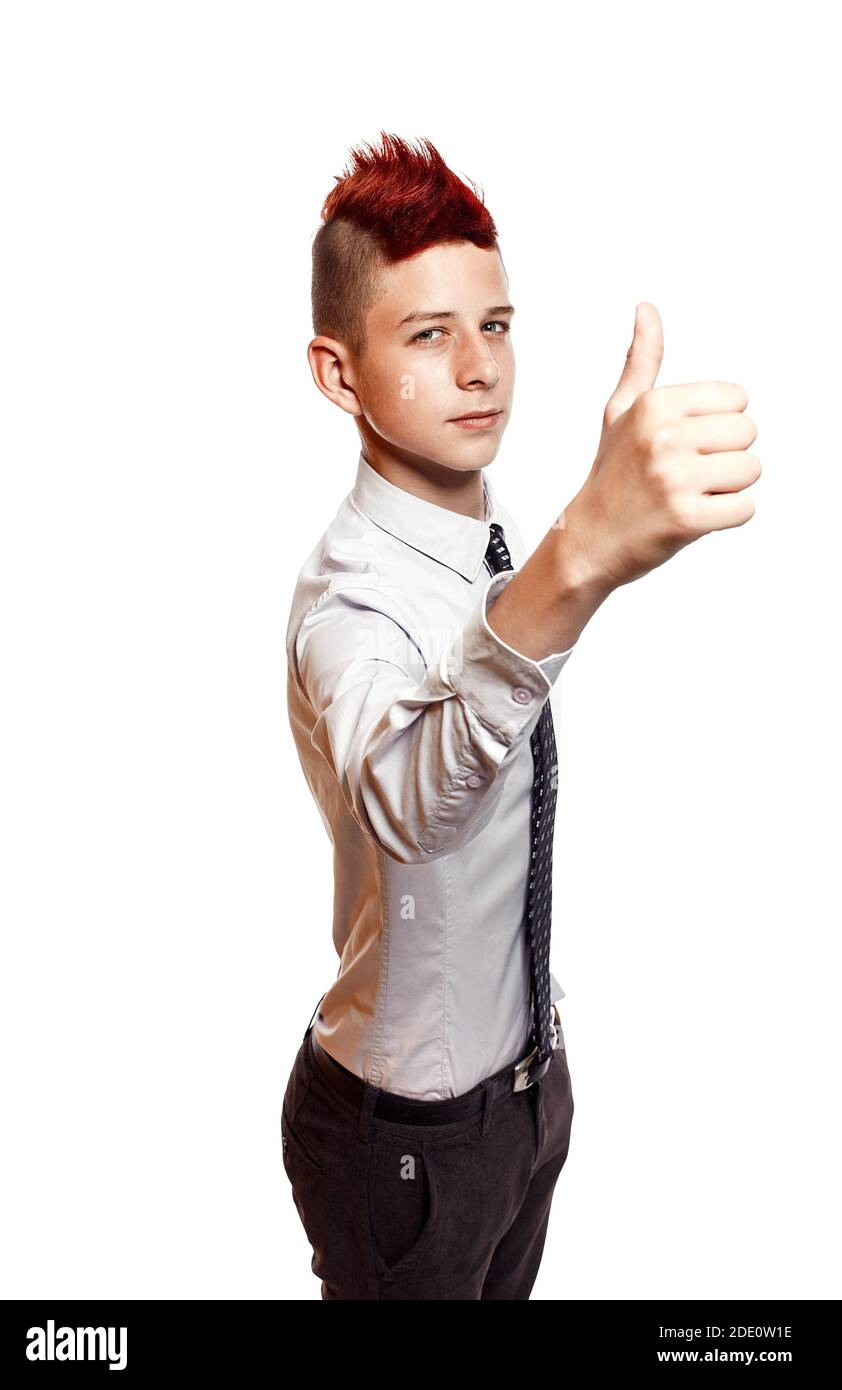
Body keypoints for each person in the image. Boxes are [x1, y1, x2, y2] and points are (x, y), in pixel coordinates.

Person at [280, 132, 760, 1301]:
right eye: (428, 334)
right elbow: (410, 802)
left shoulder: (473, 552)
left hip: (522, 1100)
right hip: (405, 1141)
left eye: (494, 326)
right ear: (340, 375)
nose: (479, 368)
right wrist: (577, 560)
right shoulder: (347, 601)